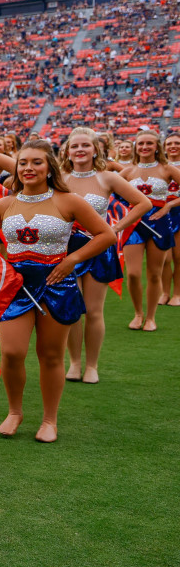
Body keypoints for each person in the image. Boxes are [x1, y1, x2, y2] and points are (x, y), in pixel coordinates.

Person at [0, 140, 115, 442]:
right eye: (23, 162)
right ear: (16, 168)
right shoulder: (3, 204)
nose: (29, 168)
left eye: (36, 162)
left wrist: (72, 260)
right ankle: (15, 412)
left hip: (57, 283)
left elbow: (106, 235)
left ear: (49, 167)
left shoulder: (68, 201)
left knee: (51, 355)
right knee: (12, 353)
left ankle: (49, 420)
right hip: (15, 286)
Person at [60, 128, 150, 383]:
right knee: (72, 310)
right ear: (67, 151)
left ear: (95, 149)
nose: (79, 150)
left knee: (95, 311)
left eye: (85, 146)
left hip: (99, 248)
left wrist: (116, 227)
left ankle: (92, 366)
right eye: (74, 146)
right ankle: (75, 363)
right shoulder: (59, 178)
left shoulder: (107, 177)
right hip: (66, 250)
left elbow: (143, 203)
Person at [120, 130, 180, 331]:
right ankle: (138, 313)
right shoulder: (128, 171)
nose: (144, 147)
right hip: (133, 224)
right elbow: (107, 190)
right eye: (140, 143)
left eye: (149, 143)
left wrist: (169, 206)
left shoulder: (167, 169)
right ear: (136, 147)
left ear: (157, 147)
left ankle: (151, 317)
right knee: (134, 274)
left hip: (159, 223)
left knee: (155, 274)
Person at [158, 132, 180, 306]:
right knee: (165, 258)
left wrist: (171, 205)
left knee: (178, 256)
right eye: (169, 144)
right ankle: (165, 292)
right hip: (162, 215)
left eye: (177, 143)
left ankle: (177, 293)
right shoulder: (159, 167)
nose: (173, 146)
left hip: (177, 212)